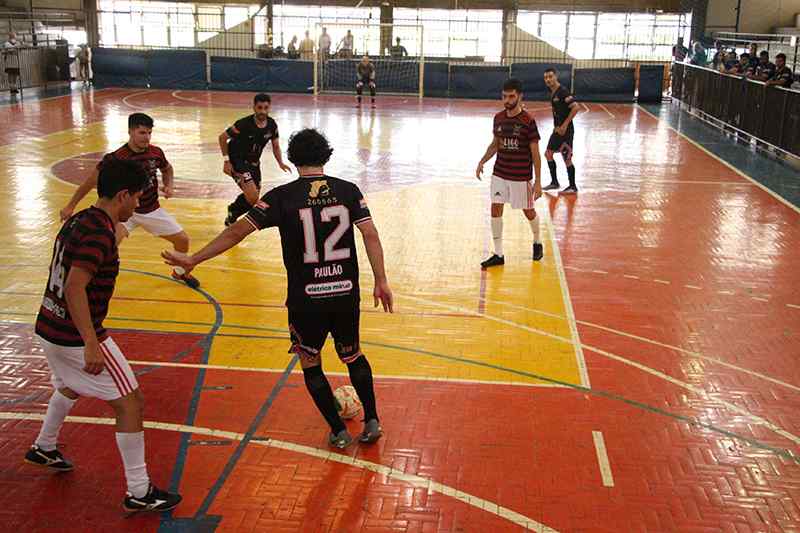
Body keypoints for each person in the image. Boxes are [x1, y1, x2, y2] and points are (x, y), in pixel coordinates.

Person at [163, 128, 392, 449]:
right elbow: (370, 234)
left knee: (311, 362)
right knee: (353, 355)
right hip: (344, 294)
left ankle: (338, 430)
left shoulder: (280, 198)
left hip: (306, 300)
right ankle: (372, 420)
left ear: (293, 158)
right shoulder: (349, 191)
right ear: (326, 154)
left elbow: (236, 232)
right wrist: (381, 280)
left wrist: (194, 259)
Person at [27, 158, 182, 513]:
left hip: (49, 327)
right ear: (123, 195)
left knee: (71, 383)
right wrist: (91, 343)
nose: (139, 205)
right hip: (76, 335)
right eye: (137, 199)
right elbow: (75, 286)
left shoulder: (82, 219)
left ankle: (44, 445)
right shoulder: (99, 232)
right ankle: (139, 491)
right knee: (131, 403)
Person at [59, 113, 200, 288]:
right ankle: (90, 281)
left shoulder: (155, 153)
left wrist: (168, 185)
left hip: (150, 210)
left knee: (183, 241)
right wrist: (70, 205)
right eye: (142, 133)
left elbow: (167, 169)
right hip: (123, 214)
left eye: (149, 133)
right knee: (108, 247)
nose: (146, 137)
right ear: (130, 132)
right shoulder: (117, 158)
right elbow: (90, 182)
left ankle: (179, 274)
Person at [475, 78, 543, 269]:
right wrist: (482, 161)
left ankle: (537, 240)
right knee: (495, 208)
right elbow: (495, 144)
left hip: (520, 176)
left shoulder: (528, 121)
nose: (507, 100)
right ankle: (498, 254)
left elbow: (536, 155)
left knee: (528, 211)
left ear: (520, 96)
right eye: (504, 96)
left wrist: (538, 182)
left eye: (511, 96)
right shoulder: (498, 118)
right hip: (500, 173)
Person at [218, 93, 290, 227]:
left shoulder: (272, 125)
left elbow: (275, 146)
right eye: (259, 107)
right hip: (238, 161)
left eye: (266, 108)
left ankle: (233, 211)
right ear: (254, 108)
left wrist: (280, 163)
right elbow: (222, 138)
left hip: (254, 164)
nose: (263, 111)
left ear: (269, 108)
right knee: (252, 197)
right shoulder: (243, 124)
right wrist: (227, 161)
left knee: (253, 198)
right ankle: (234, 206)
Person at [541, 68, 580, 195]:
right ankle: (554, 182)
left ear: (556, 77)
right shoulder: (553, 92)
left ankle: (572, 186)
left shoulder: (562, 92)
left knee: (566, 158)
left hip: (566, 131)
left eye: (550, 76)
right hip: (557, 130)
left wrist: (564, 125)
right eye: (546, 77)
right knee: (548, 154)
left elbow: (576, 107)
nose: (548, 79)